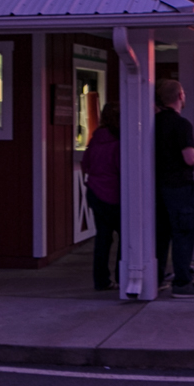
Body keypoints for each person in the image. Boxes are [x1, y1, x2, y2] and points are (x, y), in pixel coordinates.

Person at [154, 79, 194, 298]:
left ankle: (156, 278)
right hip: (180, 185)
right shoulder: (182, 124)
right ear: (179, 96)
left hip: (158, 185)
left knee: (160, 235)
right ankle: (183, 282)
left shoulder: (154, 122)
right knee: (183, 234)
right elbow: (188, 158)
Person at [82, 103, 122, 290]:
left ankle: (101, 280)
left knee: (103, 238)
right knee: (126, 237)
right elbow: (122, 168)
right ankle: (123, 277)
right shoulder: (120, 141)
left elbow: (86, 164)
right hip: (115, 193)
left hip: (95, 192)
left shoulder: (96, 138)